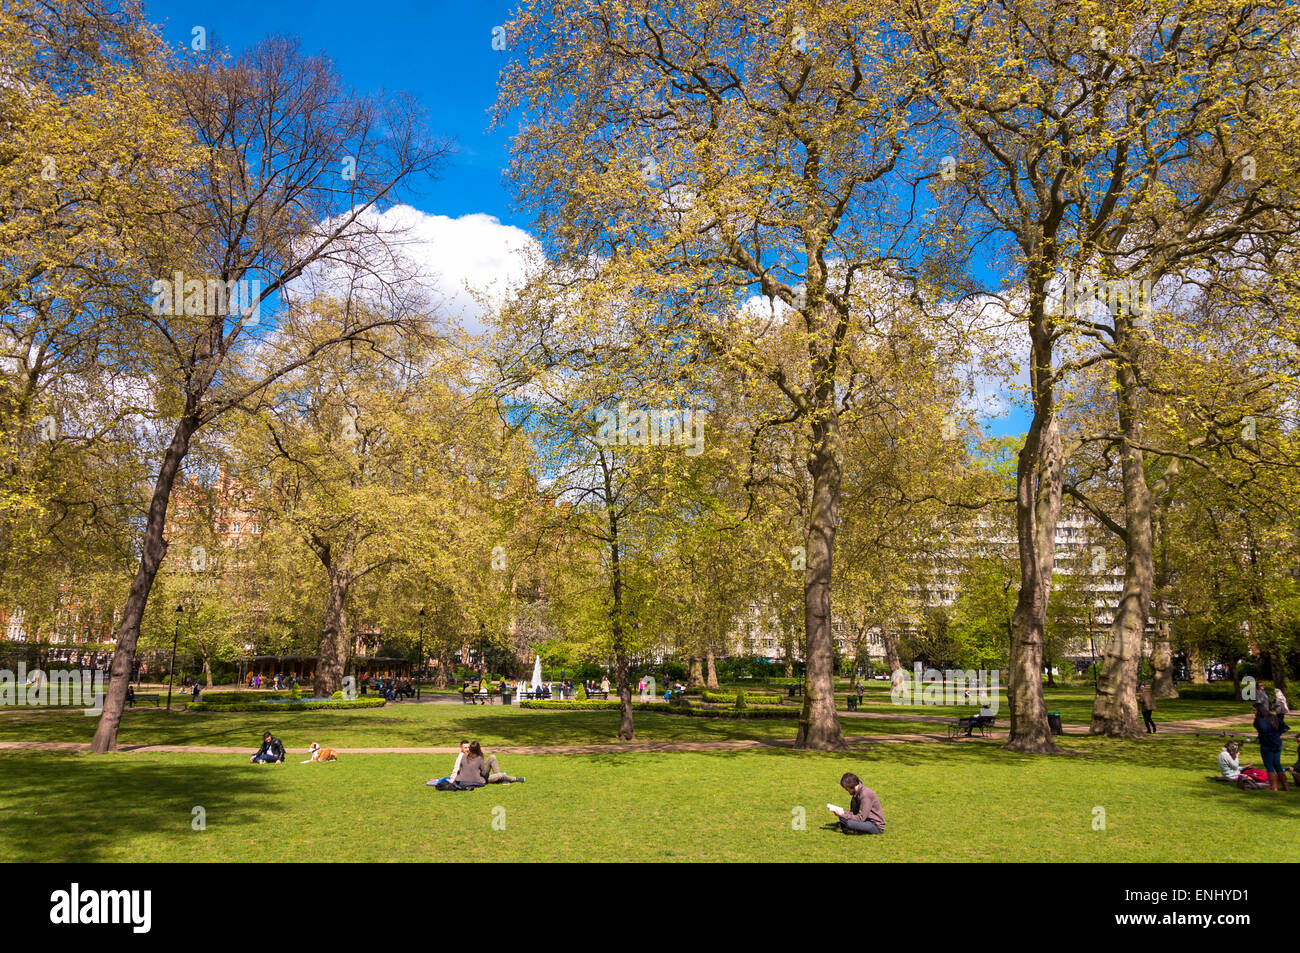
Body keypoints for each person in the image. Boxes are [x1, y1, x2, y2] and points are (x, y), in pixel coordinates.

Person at [1253, 702, 1290, 791]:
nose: (1253, 712)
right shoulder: (1273, 717)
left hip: (1267, 745)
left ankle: (1273, 787)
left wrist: (1263, 737)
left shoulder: (1259, 720)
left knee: (1269, 765)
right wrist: (1276, 734)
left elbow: (1263, 730)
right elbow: (1284, 727)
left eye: (1254, 710)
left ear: (1259, 710)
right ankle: (1286, 786)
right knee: (1277, 764)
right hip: (1277, 743)